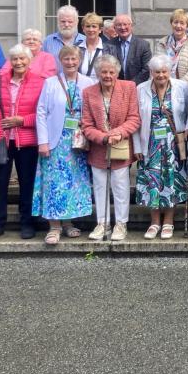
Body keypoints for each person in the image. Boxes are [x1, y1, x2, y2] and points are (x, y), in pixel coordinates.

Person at [0, 44, 44, 242]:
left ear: (29, 61)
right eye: (15, 59)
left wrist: (22, 120)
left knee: (27, 183)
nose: (19, 62)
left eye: (22, 59)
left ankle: (27, 222)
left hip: (28, 141)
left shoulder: (40, 82)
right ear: (10, 61)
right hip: (0, 140)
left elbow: (44, 113)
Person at [32, 46, 96, 245]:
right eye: (66, 59)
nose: (70, 62)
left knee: (73, 183)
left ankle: (68, 223)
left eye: (74, 59)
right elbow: (41, 112)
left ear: (79, 61)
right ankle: (54, 226)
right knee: (54, 184)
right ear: (61, 61)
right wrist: (43, 141)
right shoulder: (50, 83)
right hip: (55, 141)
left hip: (78, 142)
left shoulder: (88, 82)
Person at [81, 54, 141, 241]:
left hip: (121, 146)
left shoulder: (129, 87)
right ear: (98, 73)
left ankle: (121, 224)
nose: (107, 75)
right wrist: (103, 137)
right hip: (99, 148)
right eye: (103, 72)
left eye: (111, 72)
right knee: (100, 187)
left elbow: (134, 117)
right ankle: (103, 223)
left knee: (121, 186)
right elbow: (86, 124)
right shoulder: (88, 92)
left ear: (117, 72)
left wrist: (119, 133)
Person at [133, 55, 188, 240]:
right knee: (153, 182)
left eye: (164, 71)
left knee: (171, 181)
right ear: (151, 73)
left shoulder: (181, 87)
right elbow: (135, 119)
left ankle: (169, 222)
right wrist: (137, 147)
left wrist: (187, 130)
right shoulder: (141, 89)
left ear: (169, 71)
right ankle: (155, 221)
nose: (161, 75)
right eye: (157, 72)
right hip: (150, 144)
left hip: (173, 144)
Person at [156, 8, 188, 84]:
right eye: (175, 22)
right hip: (163, 87)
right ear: (171, 23)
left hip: (186, 88)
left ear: (187, 26)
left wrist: (179, 85)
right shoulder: (162, 43)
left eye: (182, 23)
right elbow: (157, 67)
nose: (178, 26)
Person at [110, 13, 152, 84]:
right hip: (114, 86)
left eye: (125, 24)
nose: (122, 27)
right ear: (115, 28)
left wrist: (130, 85)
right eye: (119, 25)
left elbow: (146, 69)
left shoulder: (143, 45)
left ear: (131, 26)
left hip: (137, 87)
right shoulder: (109, 45)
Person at [42, 5, 85, 71]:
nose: (66, 25)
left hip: (80, 80)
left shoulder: (85, 40)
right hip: (54, 80)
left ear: (77, 22)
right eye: (63, 21)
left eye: (70, 22)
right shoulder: (47, 41)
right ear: (58, 21)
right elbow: (42, 64)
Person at [78, 12, 112, 78]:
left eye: (94, 26)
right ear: (83, 28)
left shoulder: (110, 49)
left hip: (102, 87)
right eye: (88, 26)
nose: (91, 30)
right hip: (81, 87)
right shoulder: (76, 48)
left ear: (100, 30)